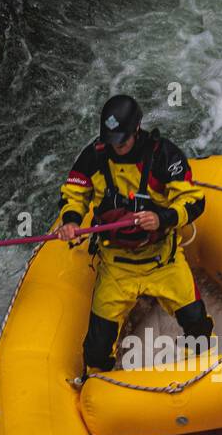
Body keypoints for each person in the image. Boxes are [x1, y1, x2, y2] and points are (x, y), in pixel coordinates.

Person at [57, 94, 213, 373]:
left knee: (197, 322)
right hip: (117, 267)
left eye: (123, 141)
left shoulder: (164, 155)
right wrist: (70, 220)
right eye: (112, 140)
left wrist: (161, 218)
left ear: (137, 129)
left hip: (162, 260)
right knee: (96, 349)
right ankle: (100, 389)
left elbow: (193, 201)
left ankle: (201, 373)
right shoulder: (94, 155)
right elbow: (75, 193)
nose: (117, 147)